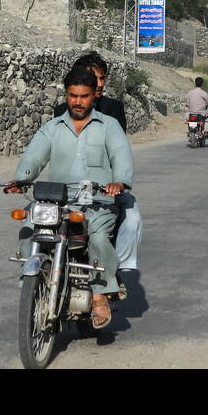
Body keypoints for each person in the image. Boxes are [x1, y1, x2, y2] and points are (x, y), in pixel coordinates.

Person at [7, 66, 133, 328]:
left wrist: (118, 182)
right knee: (29, 226)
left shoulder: (108, 126)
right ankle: (34, 282)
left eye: (84, 96)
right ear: (67, 95)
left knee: (98, 238)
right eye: (73, 95)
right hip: (57, 201)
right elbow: (33, 156)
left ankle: (99, 296)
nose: (77, 101)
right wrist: (21, 179)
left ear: (93, 97)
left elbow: (121, 156)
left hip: (96, 203)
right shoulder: (52, 127)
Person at [52, 53, 141, 281]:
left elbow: (118, 150)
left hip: (104, 186)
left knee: (132, 221)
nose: (100, 83)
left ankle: (114, 271)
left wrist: (118, 180)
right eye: (95, 78)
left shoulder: (113, 109)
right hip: (70, 185)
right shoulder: (62, 110)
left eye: (103, 78)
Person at [187, 76, 208, 147]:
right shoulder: (204, 93)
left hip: (191, 113)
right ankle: (205, 131)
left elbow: (187, 103)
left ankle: (191, 132)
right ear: (202, 84)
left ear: (195, 84)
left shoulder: (190, 93)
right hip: (201, 114)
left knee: (188, 119)